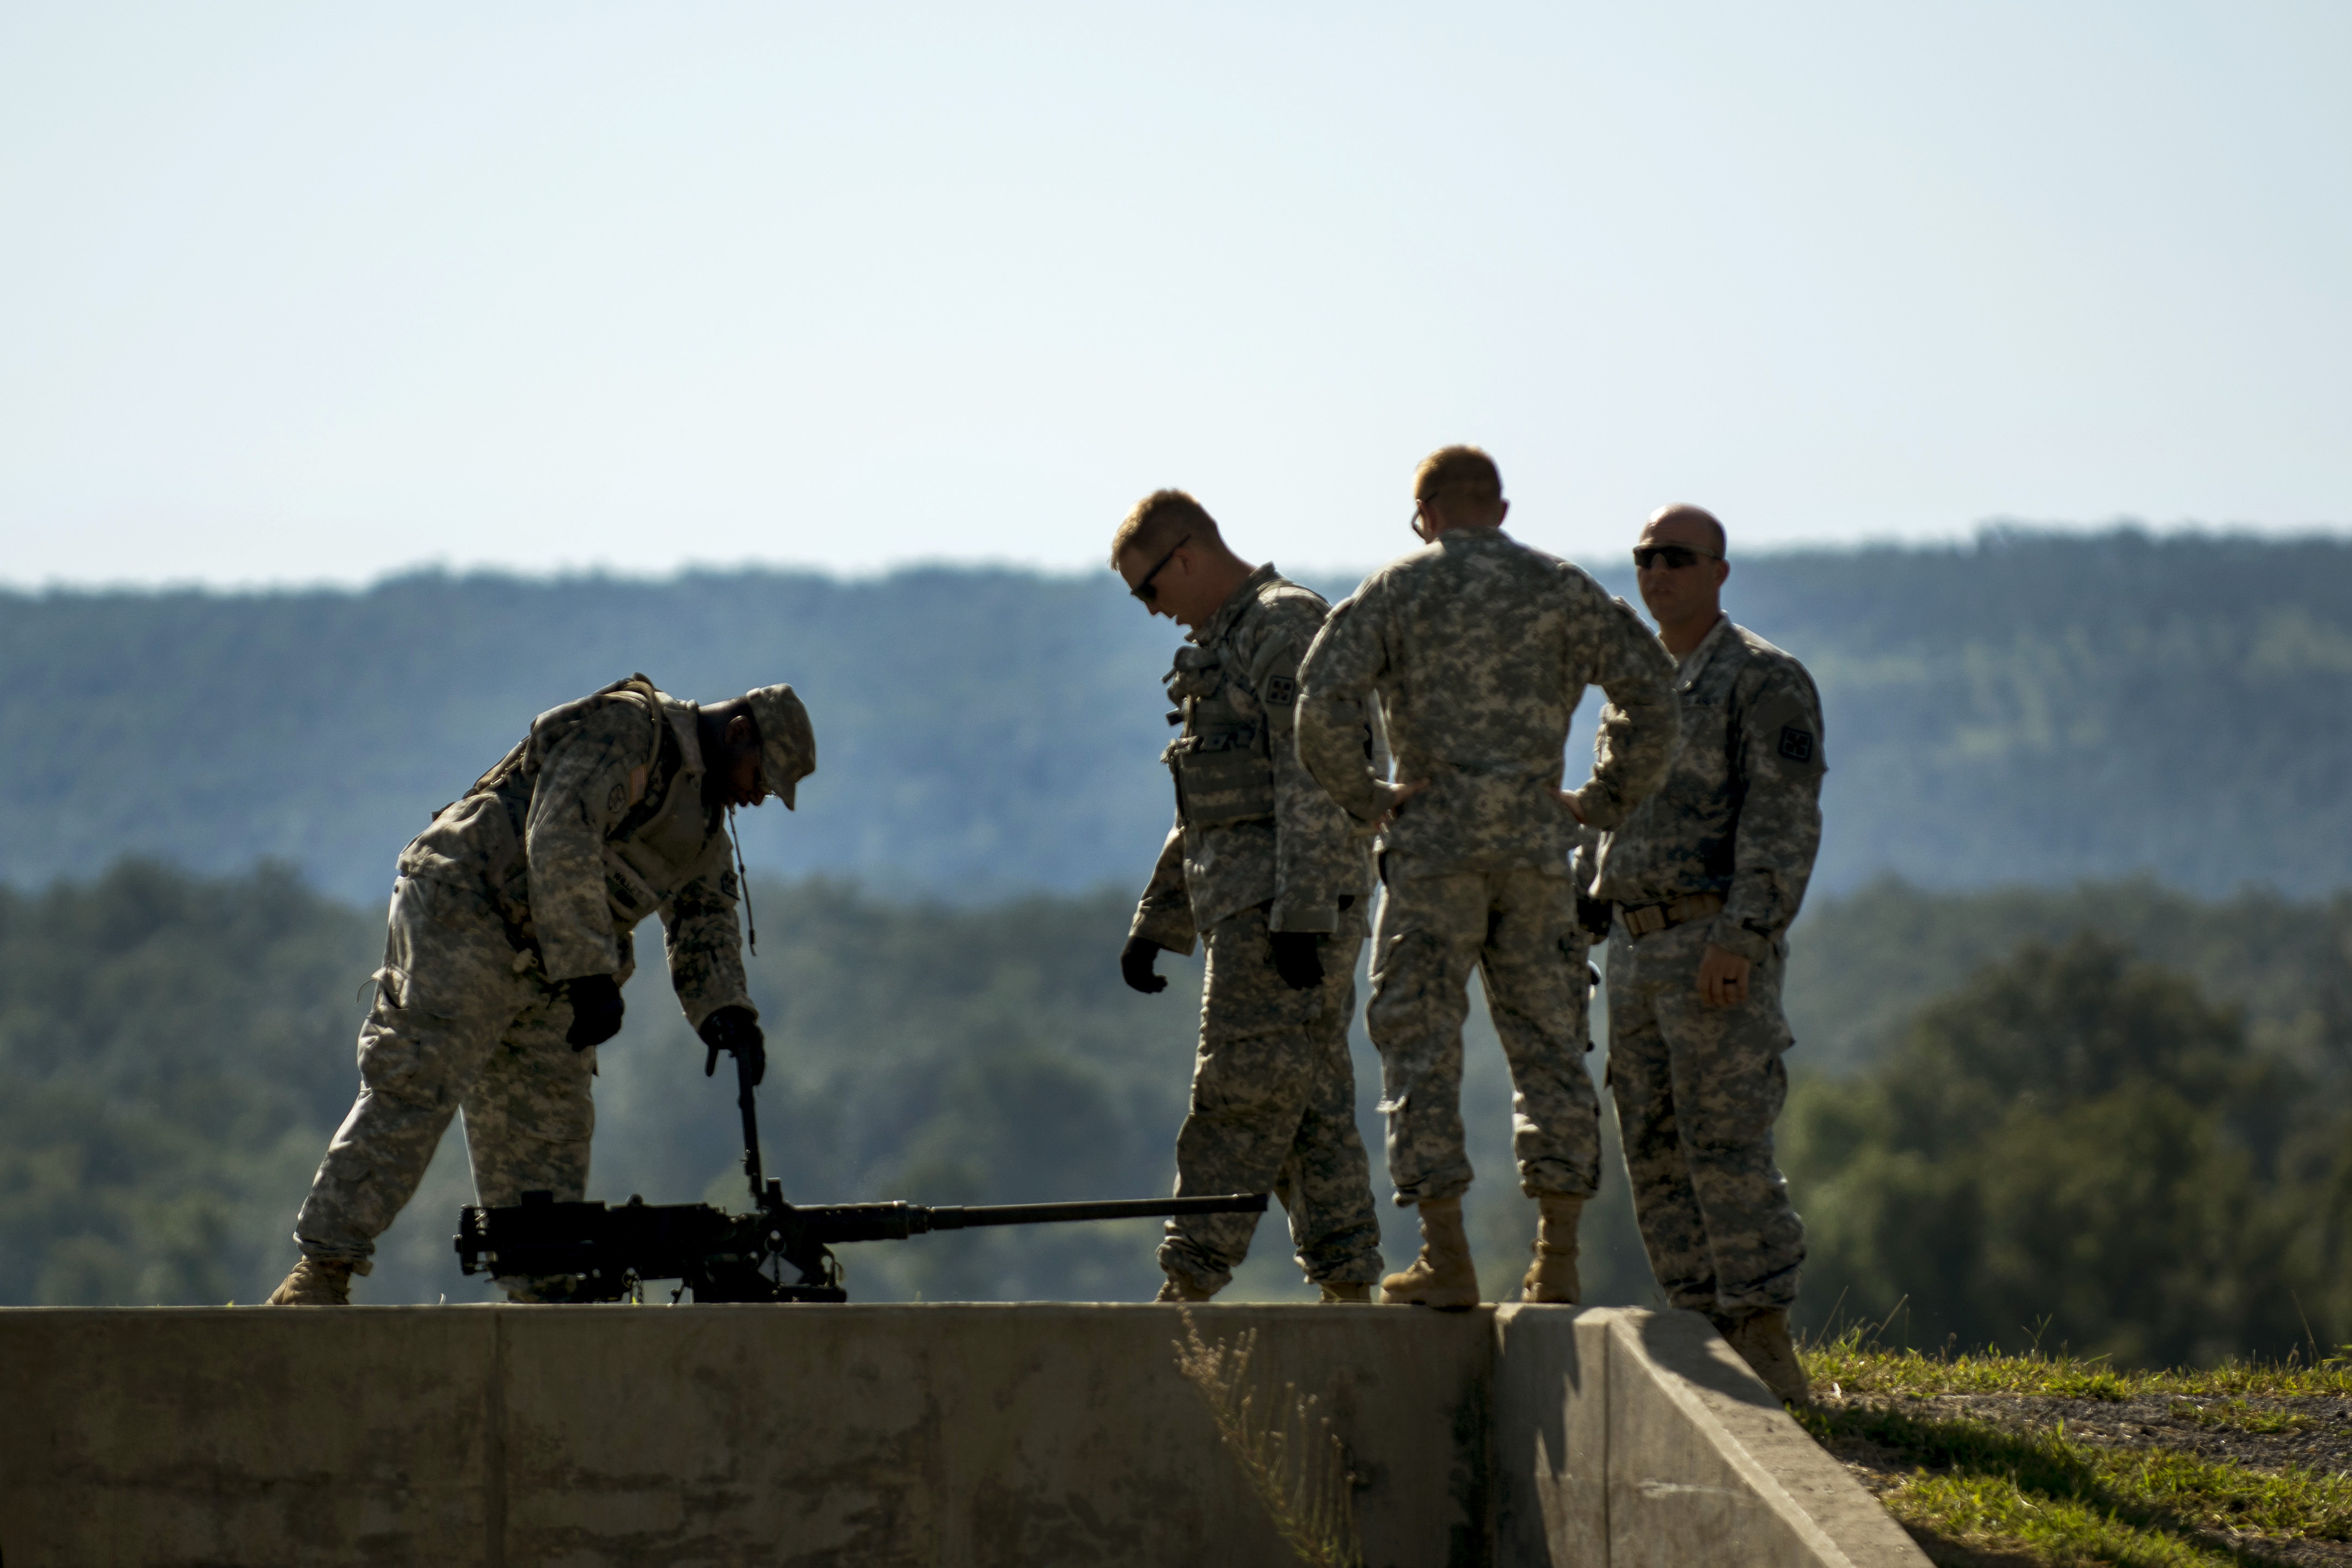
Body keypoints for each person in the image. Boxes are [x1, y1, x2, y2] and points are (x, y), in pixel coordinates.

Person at [265, 675, 816, 1305]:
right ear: (739, 730)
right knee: (418, 1082)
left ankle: (542, 1299)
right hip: (469, 911)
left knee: (546, 1134)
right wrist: (588, 970)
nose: (759, 795)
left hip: (555, 972)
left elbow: (705, 924)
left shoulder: (703, 827)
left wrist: (727, 1012)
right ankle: (322, 1272)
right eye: (761, 775)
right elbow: (559, 834)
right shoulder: (631, 730)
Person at [1295, 446, 1678, 1309]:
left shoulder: (1395, 589)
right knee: (1550, 1046)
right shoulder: (1563, 588)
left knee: (1420, 1049)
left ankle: (1445, 1255)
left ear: (1424, 512)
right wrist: (1602, 799)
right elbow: (1653, 694)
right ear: (1499, 511)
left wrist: (1370, 798)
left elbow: (1319, 701)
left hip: (1430, 859)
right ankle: (1559, 1258)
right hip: (1539, 857)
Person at [1113, 489, 1387, 1303]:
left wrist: (1300, 914)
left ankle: (1186, 1291)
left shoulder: (1283, 626)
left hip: (1283, 913)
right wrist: (1160, 919)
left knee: (1237, 1089)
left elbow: (1313, 775)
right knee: (1307, 1108)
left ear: (1185, 557)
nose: (1150, 612)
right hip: (1253, 906)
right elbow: (1213, 798)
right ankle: (1348, 1289)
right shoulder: (1229, 640)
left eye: (1148, 590)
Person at [1581, 503, 1824, 1403]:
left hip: (1709, 943)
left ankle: (1763, 1339)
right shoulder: (1634, 689)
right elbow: (1608, 812)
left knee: (1726, 1141)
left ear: (1719, 571)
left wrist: (1745, 938)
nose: (1657, 572)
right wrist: (1577, 920)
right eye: (1644, 557)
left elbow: (1783, 817)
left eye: (1677, 557)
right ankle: (1700, 1331)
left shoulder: (1762, 681)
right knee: (1652, 1141)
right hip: (1634, 947)